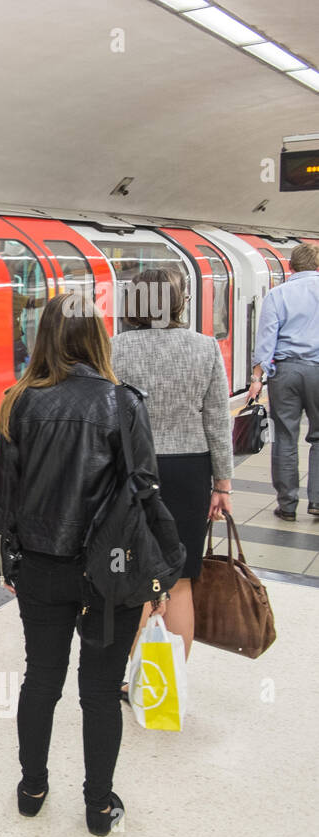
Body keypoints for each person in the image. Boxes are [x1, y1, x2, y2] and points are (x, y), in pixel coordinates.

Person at [0, 292, 164, 837]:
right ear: (97, 337)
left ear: (43, 337)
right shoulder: (122, 403)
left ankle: (32, 788)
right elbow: (143, 492)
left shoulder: (18, 402)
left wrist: (10, 562)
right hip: (109, 572)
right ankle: (97, 805)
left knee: (41, 678)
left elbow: (6, 498)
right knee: (100, 690)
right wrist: (161, 565)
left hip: (41, 566)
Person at [111, 268, 232, 670]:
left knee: (135, 579)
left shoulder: (115, 349)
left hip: (131, 472)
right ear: (179, 302)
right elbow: (217, 420)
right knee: (179, 581)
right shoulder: (205, 347)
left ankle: (133, 677)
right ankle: (171, 680)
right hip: (189, 472)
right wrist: (223, 484)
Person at [247, 243, 319, 520]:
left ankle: (287, 505)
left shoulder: (278, 295)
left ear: (291, 267)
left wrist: (256, 378)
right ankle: (316, 502)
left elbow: (266, 338)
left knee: (284, 438)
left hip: (285, 373)